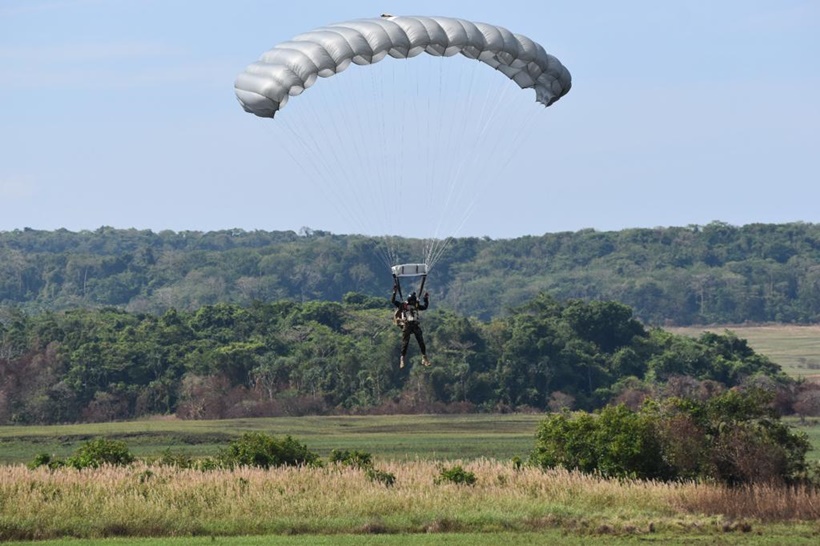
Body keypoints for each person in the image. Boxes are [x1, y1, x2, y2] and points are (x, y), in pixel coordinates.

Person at [391, 288, 430, 368]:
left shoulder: (416, 305)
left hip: (415, 325)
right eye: (411, 302)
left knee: (421, 341)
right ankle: (402, 359)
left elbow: (425, 307)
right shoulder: (403, 305)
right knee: (405, 343)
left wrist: (425, 298)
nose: (412, 303)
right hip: (407, 325)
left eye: (413, 302)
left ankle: (424, 357)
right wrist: (394, 292)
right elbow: (393, 301)